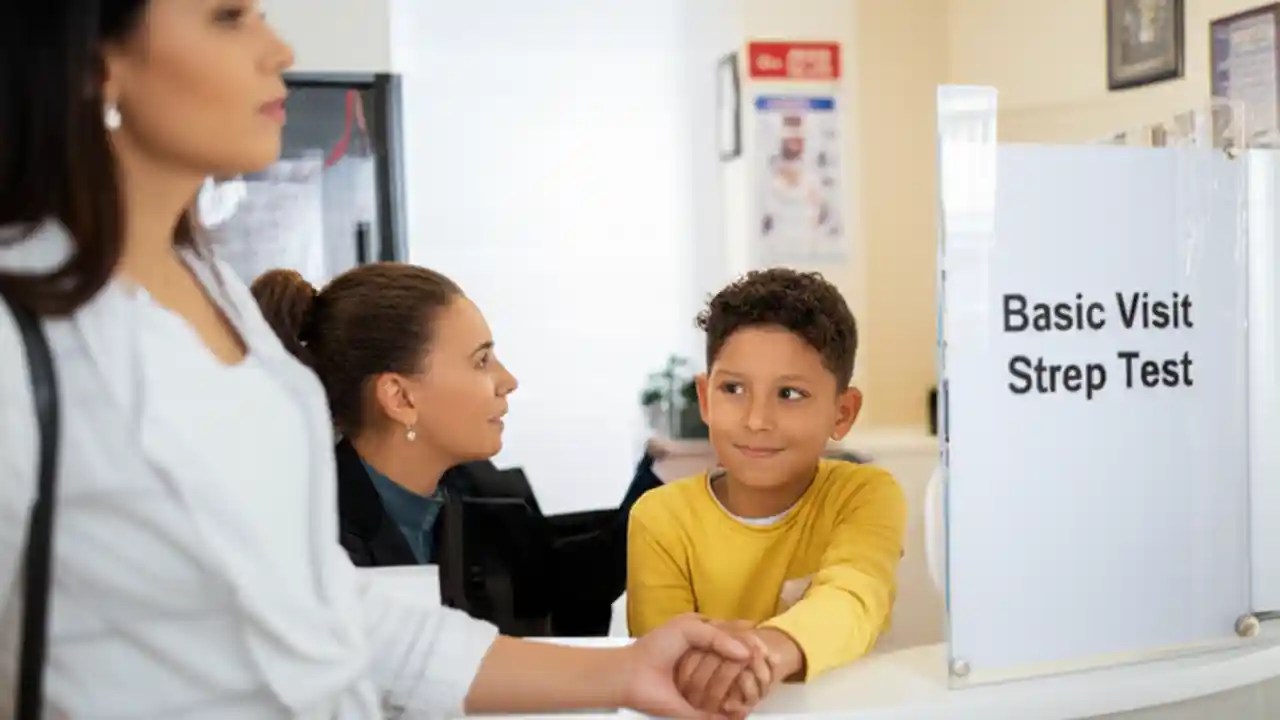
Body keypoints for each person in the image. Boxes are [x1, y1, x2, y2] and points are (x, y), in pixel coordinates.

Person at [0, 2, 771, 717]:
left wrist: (623, 671)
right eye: (229, 17)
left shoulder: (214, 293)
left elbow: (328, 610)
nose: (278, 49)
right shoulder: (20, 334)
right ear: (97, 62)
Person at [251, 264, 664, 637]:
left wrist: (670, 483)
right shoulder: (315, 543)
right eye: (482, 361)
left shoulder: (474, 485)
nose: (509, 380)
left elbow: (556, 579)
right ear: (400, 398)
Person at [626, 268, 908, 710]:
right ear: (705, 398)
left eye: (790, 394)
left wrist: (764, 648)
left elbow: (855, 595)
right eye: (733, 388)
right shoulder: (659, 518)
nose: (757, 420)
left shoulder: (865, 495)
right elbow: (669, 662)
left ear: (842, 412)